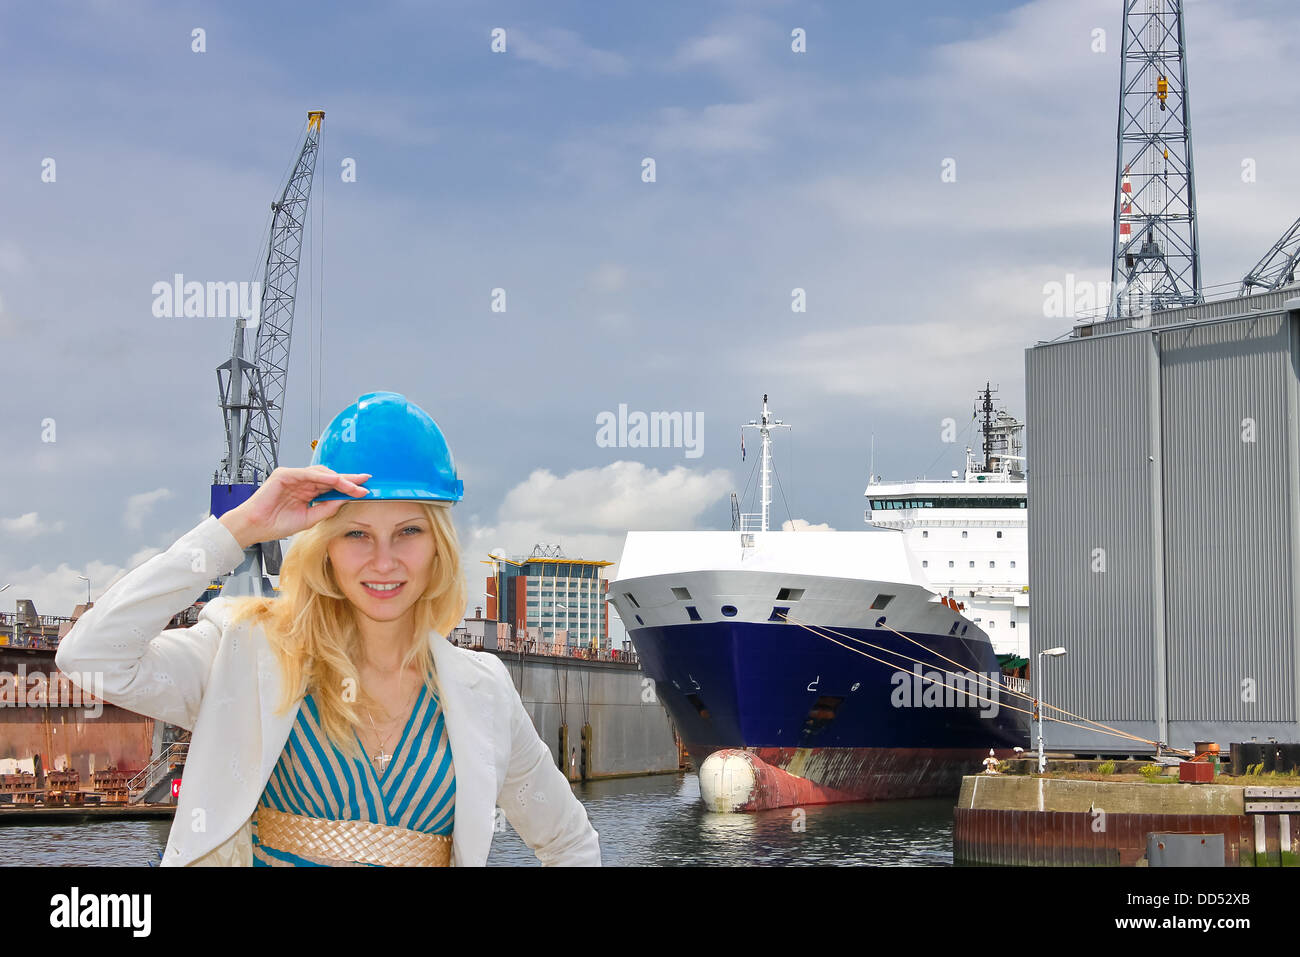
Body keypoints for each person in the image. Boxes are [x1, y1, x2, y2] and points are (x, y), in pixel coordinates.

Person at [56, 391, 600, 867]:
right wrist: (239, 527)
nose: (383, 562)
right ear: (325, 549)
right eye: (357, 535)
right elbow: (91, 656)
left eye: (408, 531)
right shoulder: (248, 653)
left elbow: (570, 844)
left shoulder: (483, 689)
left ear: (438, 547)